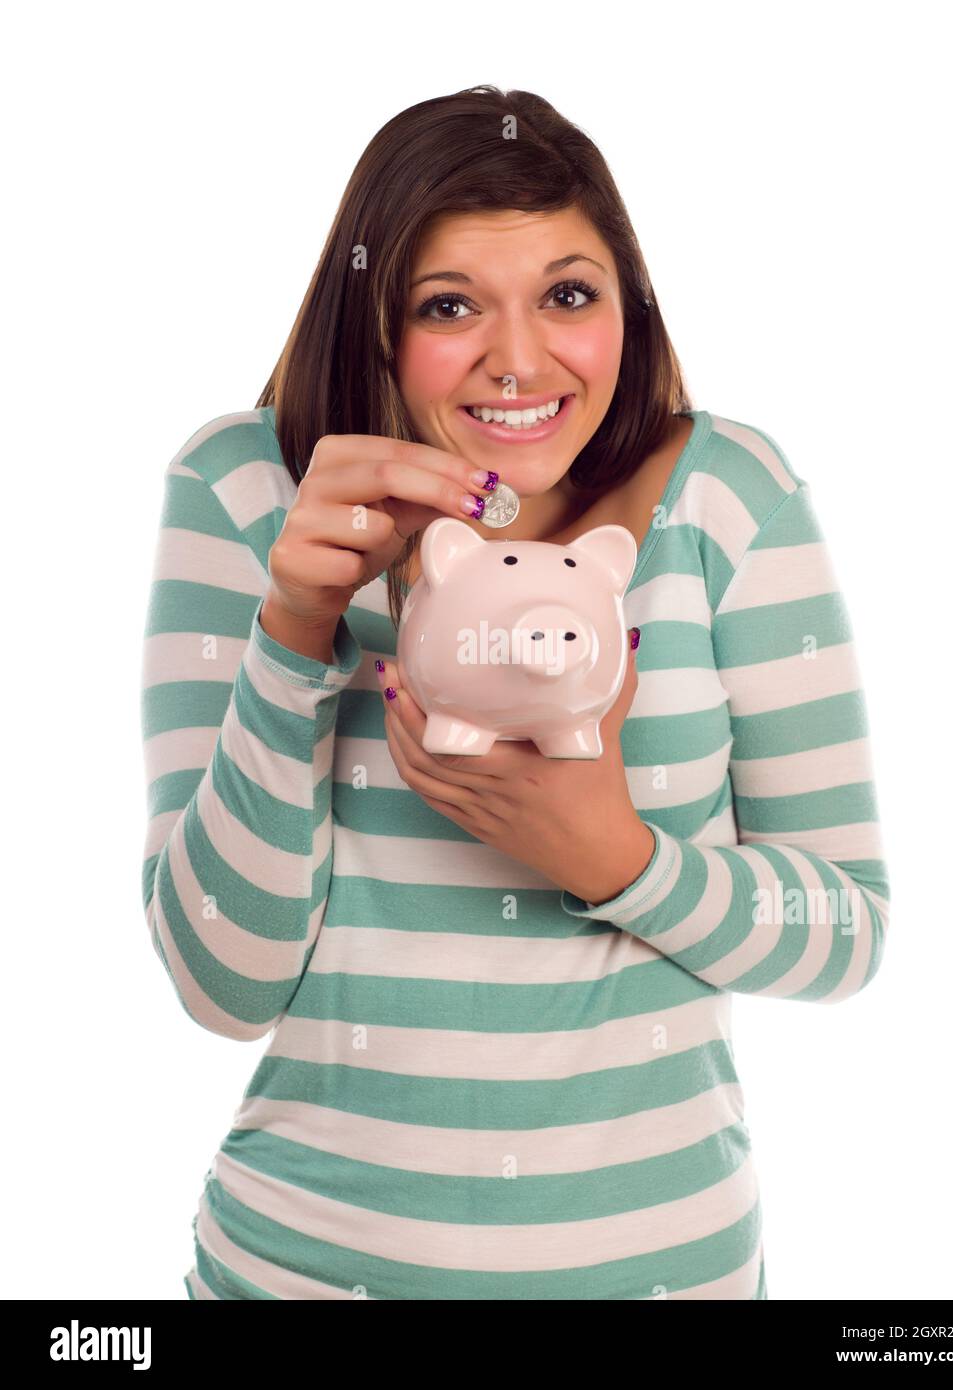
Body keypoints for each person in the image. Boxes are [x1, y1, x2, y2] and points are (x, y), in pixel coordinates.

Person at [140, 85, 890, 1301]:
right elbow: (219, 981)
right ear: (373, 321)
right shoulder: (246, 488)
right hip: (303, 1273)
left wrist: (615, 855)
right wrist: (293, 631)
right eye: (449, 307)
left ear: (625, 305)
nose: (522, 360)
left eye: (567, 294)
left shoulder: (726, 495)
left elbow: (849, 932)